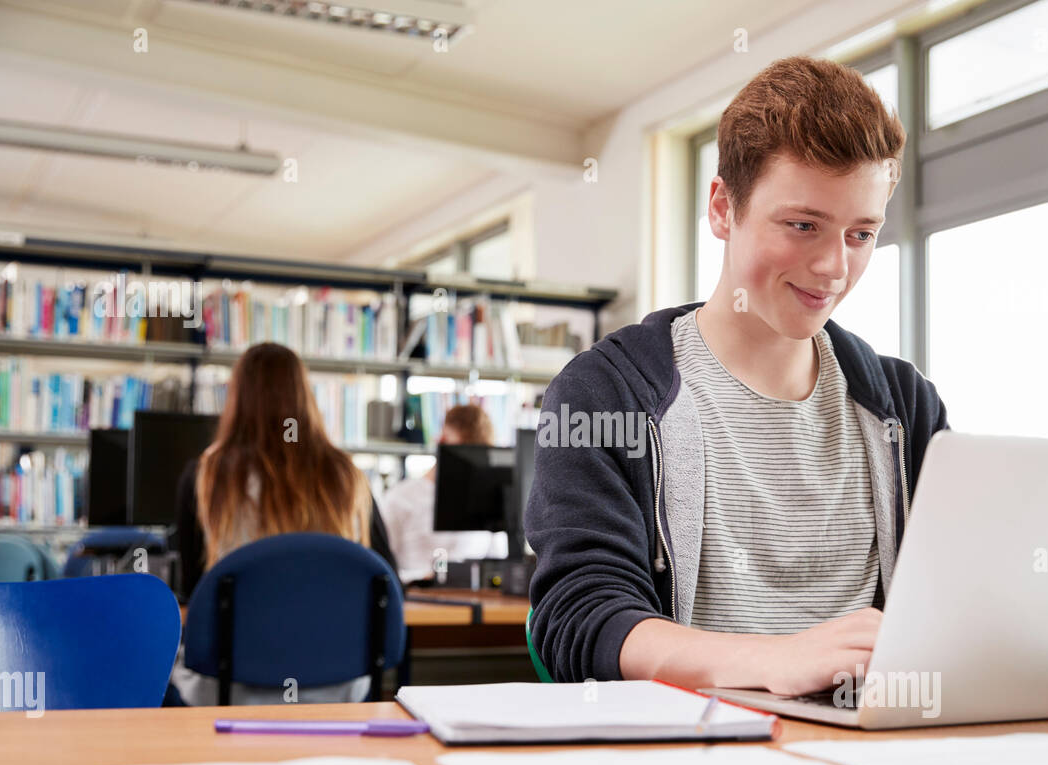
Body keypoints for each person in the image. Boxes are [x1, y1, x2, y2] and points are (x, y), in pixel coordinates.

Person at [525, 56, 950, 696]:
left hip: (874, 751)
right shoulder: (604, 393)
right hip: (694, 759)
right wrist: (768, 661)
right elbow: (580, 619)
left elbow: (959, 606)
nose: (835, 267)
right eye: (803, 225)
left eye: (861, 234)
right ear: (723, 208)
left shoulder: (905, 406)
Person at [170, 342, 398, 705]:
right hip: (339, 685)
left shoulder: (206, 476)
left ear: (237, 399)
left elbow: (195, 591)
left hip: (231, 685)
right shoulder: (347, 475)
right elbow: (386, 578)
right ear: (305, 395)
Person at [379, 403, 508, 585]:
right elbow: (379, 567)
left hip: (473, 602)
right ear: (441, 443)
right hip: (416, 601)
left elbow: (499, 566)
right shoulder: (400, 498)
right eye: (462, 453)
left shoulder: (487, 502)